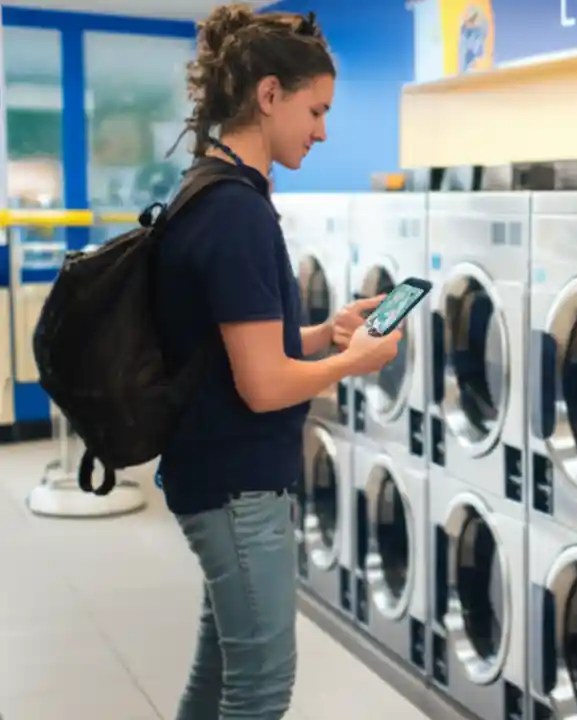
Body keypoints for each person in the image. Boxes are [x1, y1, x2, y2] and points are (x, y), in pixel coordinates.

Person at [154, 5, 400, 718]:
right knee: (260, 688)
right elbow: (263, 386)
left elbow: (235, 343)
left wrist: (324, 331)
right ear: (269, 96)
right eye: (315, 110)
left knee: (218, 674)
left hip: (214, 473)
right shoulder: (237, 213)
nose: (322, 131)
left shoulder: (210, 190)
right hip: (237, 486)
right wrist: (356, 361)